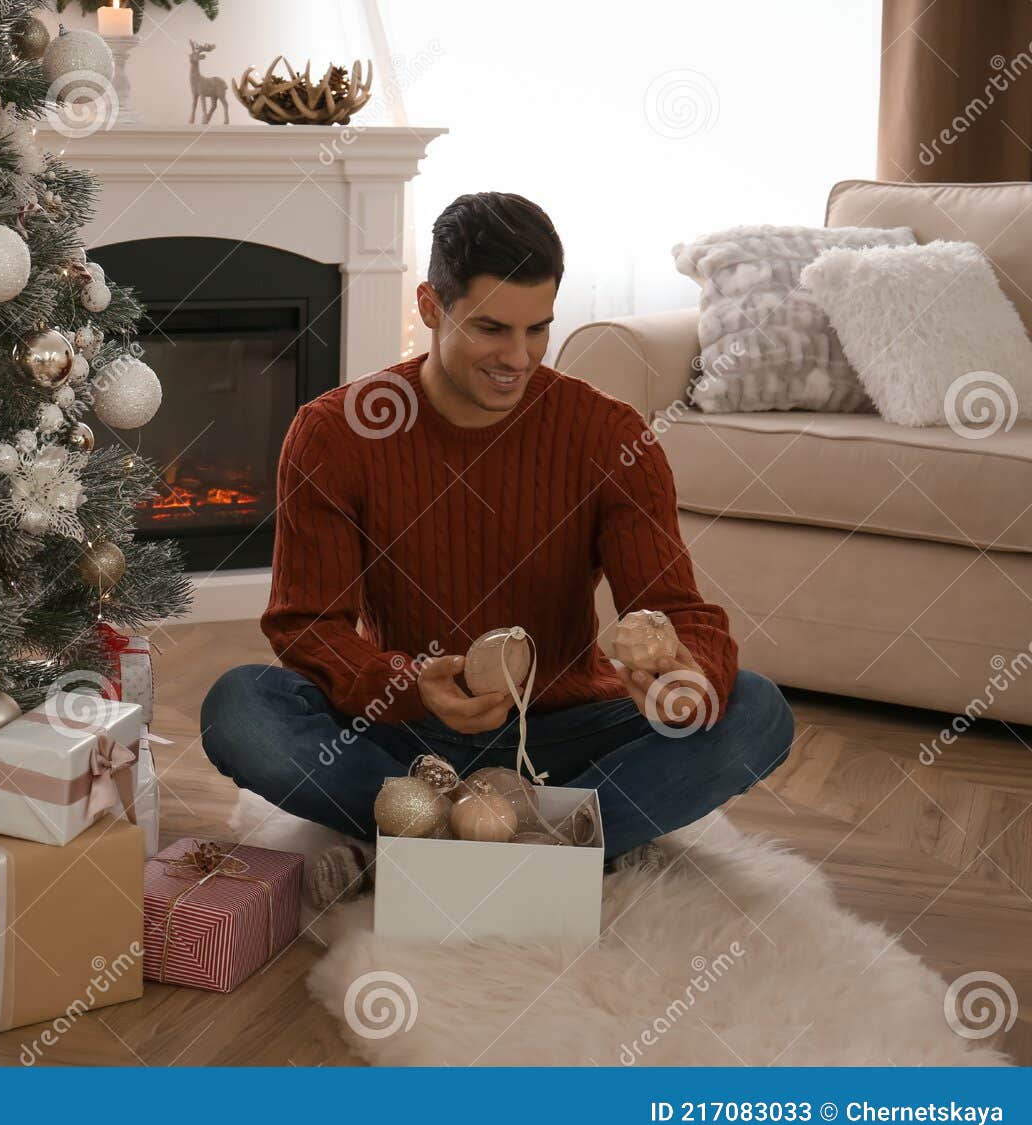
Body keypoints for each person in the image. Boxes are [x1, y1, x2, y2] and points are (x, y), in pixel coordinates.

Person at [199, 192, 796, 909]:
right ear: (429, 305)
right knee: (239, 707)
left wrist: (685, 675)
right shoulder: (335, 434)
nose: (517, 359)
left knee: (757, 710)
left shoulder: (607, 435)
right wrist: (412, 683)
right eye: (490, 328)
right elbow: (308, 626)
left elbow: (677, 610)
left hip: (563, 734)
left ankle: (459, 845)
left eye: (537, 329)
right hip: (403, 732)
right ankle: (537, 849)